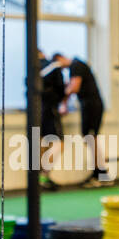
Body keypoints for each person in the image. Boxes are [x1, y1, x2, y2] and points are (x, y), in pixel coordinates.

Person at [52, 52, 110, 183]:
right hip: (88, 105)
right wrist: (65, 102)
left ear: (60, 59)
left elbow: (74, 87)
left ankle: (101, 173)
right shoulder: (76, 66)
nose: (61, 70)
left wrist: (62, 97)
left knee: (91, 137)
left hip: (92, 105)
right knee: (89, 138)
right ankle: (99, 172)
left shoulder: (76, 65)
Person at [38, 50, 66, 190]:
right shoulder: (53, 66)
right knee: (59, 143)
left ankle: (40, 178)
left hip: (35, 111)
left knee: (42, 142)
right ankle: (44, 176)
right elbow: (61, 89)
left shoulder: (31, 69)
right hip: (50, 109)